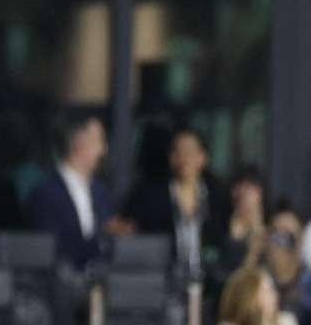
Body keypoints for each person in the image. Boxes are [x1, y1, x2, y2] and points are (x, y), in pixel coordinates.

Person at [121, 126, 228, 278]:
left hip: (208, 279)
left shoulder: (218, 198)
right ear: (171, 158)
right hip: (162, 278)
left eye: (190, 152)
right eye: (178, 152)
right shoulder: (150, 197)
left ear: (202, 157)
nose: (184, 158)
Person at [25, 113, 116, 270]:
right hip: (59, 287)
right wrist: (98, 242)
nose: (103, 151)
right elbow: (51, 248)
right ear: (79, 143)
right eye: (98, 142)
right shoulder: (45, 194)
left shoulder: (102, 193)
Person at [218, 165, 267, 277]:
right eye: (238, 187)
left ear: (261, 192)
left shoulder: (273, 228)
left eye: (249, 187)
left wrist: (258, 235)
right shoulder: (220, 229)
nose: (242, 193)